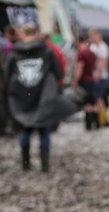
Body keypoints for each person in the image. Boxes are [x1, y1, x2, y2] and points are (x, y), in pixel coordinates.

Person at [6, 24, 78, 172]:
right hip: (43, 96)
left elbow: (6, 76)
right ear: (37, 33)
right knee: (44, 130)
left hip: (21, 98)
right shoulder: (46, 51)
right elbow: (59, 73)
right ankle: (45, 163)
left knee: (24, 129)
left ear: (22, 34)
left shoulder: (14, 53)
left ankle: (26, 162)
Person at [75, 34, 101, 130]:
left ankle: (89, 124)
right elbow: (96, 67)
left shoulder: (81, 54)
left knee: (87, 104)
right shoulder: (92, 53)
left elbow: (79, 69)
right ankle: (97, 122)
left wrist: (75, 81)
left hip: (84, 81)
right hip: (92, 80)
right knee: (93, 102)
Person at [89, 29, 109, 126]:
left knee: (99, 97)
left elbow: (103, 61)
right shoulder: (92, 47)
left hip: (101, 76)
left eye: (94, 35)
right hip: (93, 75)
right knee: (97, 98)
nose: (92, 38)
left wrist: (98, 74)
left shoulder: (103, 47)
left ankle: (103, 119)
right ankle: (100, 118)